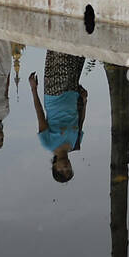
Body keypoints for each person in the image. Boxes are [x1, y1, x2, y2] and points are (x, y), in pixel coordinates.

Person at [28, 51, 88, 182]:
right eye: (69, 170)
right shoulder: (74, 143)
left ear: (54, 166)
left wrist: (33, 89)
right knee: (76, 54)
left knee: (61, 53)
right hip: (72, 92)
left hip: (54, 92)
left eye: (62, 170)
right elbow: (80, 120)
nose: (66, 167)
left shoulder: (48, 143)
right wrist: (84, 101)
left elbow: (40, 115)